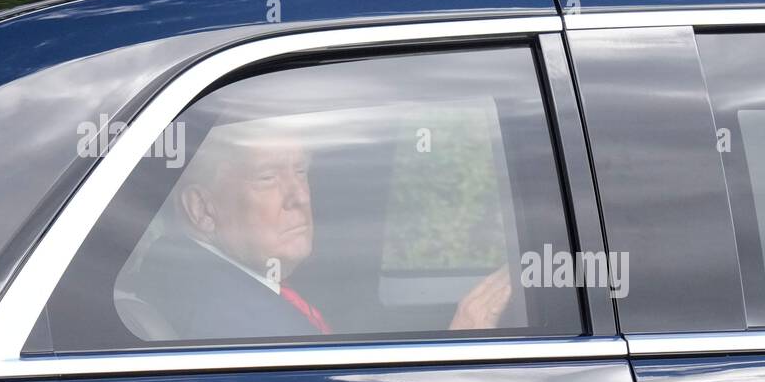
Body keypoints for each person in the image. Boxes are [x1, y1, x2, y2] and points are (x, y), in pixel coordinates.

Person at [126, 127, 513, 341]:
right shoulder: (241, 326)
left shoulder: (197, 277)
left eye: (300, 171)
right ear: (203, 210)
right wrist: (462, 340)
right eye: (267, 178)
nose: (299, 195)